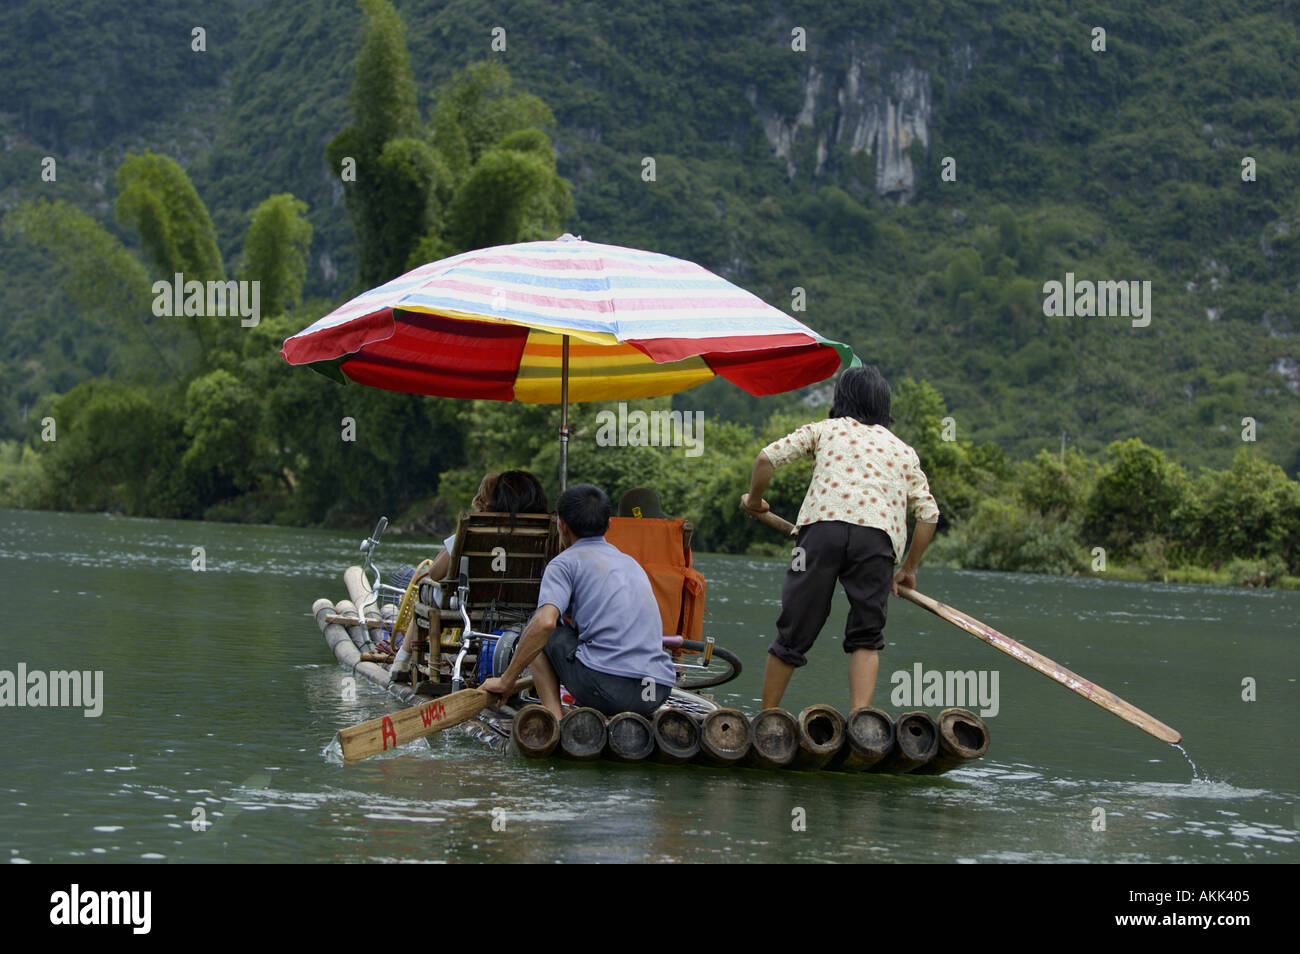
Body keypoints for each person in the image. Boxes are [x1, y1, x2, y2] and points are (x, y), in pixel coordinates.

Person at [740, 365, 940, 712]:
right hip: (876, 543)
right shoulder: (903, 450)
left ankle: (767, 716)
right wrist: (908, 568)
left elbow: (765, 458)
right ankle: (860, 719)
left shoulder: (825, 430)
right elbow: (928, 516)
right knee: (867, 637)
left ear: (841, 399)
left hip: (820, 535)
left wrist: (755, 501)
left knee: (794, 630)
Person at [480, 483, 677, 719]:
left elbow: (544, 624)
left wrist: (506, 680)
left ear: (561, 525)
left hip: (608, 688)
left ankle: (556, 719)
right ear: (609, 525)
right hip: (657, 690)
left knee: (536, 626)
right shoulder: (630, 562)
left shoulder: (564, 563)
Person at [390, 470, 548, 680]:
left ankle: (402, 659)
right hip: (523, 605)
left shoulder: (474, 529)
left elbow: (435, 573)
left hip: (468, 604)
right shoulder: (546, 533)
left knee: (425, 592)